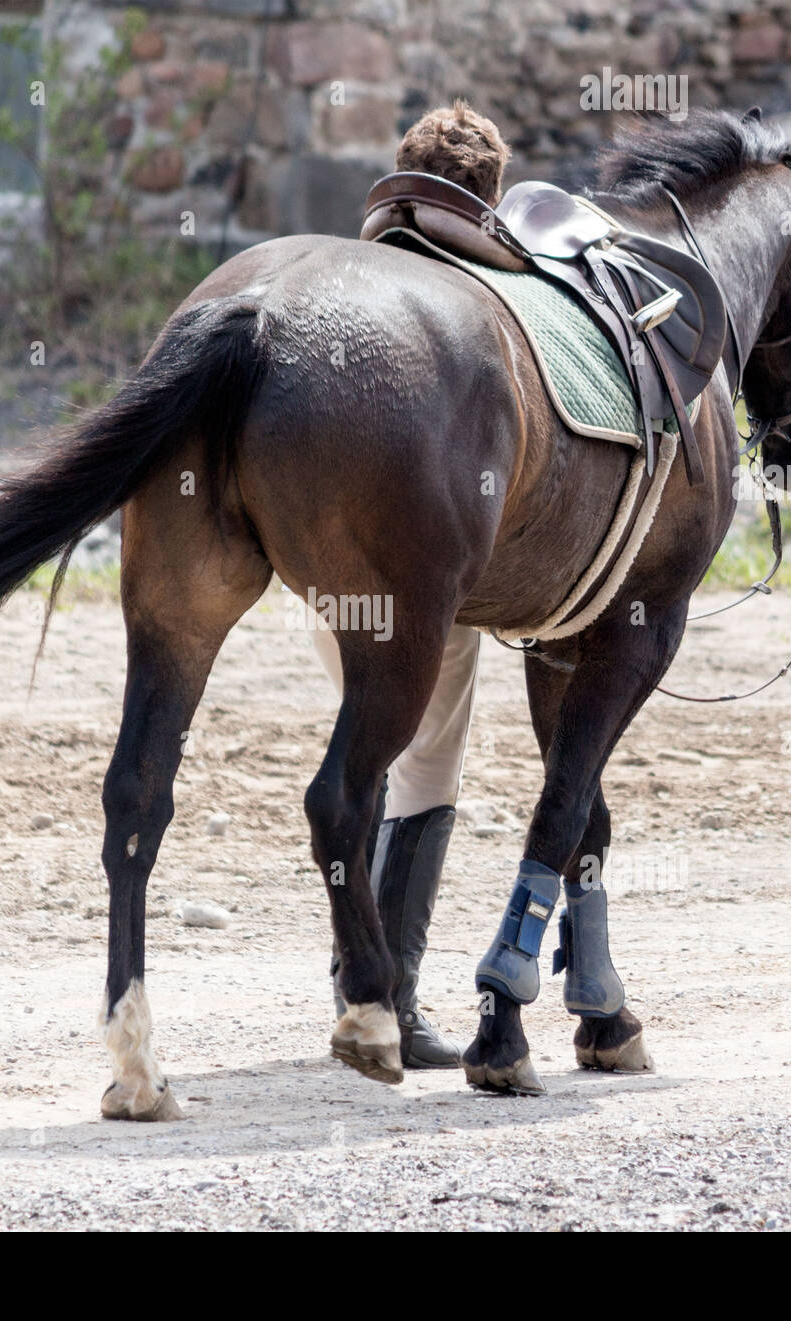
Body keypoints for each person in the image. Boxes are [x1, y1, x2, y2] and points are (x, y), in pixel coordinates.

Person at [311, 101, 511, 1069]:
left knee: (360, 741)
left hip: (321, 555)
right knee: (425, 761)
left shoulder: (347, 279)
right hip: (430, 561)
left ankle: (352, 966)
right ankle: (387, 997)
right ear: (489, 198)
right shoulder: (476, 285)